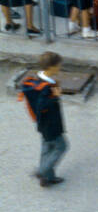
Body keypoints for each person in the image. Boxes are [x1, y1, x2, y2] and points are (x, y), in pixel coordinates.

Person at [21, 51, 68, 188]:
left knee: (46, 149)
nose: (60, 68)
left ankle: (48, 178)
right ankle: (42, 172)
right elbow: (44, 104)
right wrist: (56, 96)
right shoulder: (47, 87)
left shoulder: (37, 79)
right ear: (51, 67)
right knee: (62, 146)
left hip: (41, 123)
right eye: (58, 65)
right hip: (51, 124)